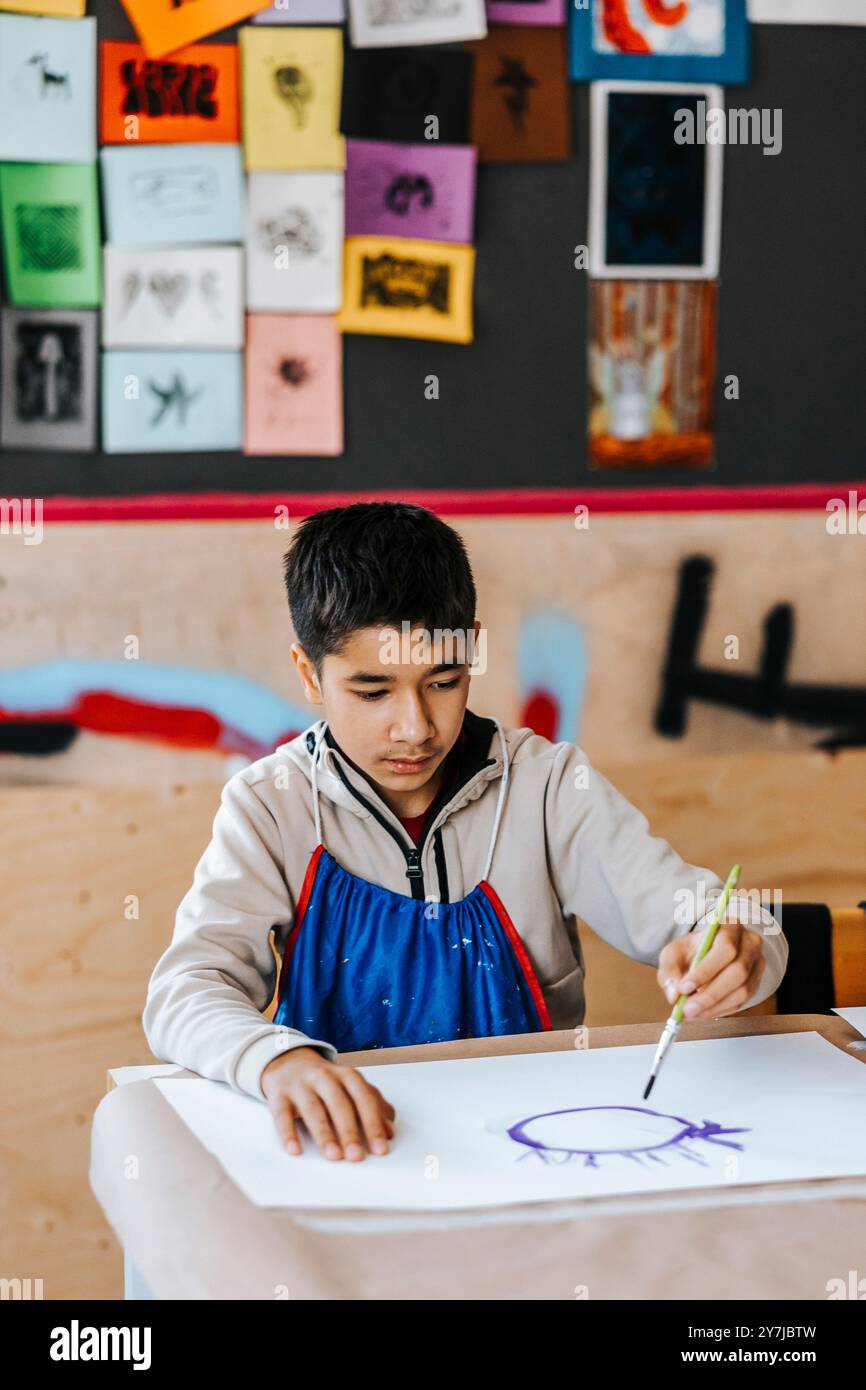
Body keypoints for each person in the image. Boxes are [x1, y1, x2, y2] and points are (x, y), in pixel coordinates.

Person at [143, 502, 788, 1163]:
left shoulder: (548, 786)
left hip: (536, 1149)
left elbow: (711, 913)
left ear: (471, 651)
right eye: (373, 693)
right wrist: (278, 1061)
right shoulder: (269, 806)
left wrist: (740, 948)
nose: (415, 726)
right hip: (348, 1155)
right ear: (309, 674)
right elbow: (186, 990)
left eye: (443, 682)